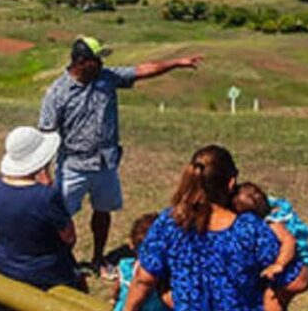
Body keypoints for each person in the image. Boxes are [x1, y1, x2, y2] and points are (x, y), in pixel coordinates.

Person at [39, 35, 203, 279]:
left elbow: (143, 70)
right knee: (60, 218)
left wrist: (177, 63)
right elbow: (46, 134)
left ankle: (98, 259)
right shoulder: (57, 92)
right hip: (73, 165)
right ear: (81, 62)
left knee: (103, 211)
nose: (102, 65)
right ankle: (65, 263)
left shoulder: (107, 78)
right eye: (97, 60)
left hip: (106, 162)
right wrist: (44, 174)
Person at [112, 145, 304, 311]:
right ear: (231, 183)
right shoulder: (250, 229)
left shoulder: (171, 223)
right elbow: (296, 281)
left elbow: (143, 278)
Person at [0, 126, 85, 311]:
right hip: (42, 271)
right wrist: (49, 186)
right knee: (78, 286)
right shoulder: (46, 196)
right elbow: (70, 238)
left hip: (5, 262)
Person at [232, 182, 308, 311]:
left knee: (272, 310)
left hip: (295, 276)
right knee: (275, 310)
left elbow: (289, 241)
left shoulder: (272, 223)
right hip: (293, 276)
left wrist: (279, 264)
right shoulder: (266, 222)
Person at [112, 212, 174, 311]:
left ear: (131, 244)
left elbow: (117, 289)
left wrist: (114, 300)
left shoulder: (124, 267)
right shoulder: (165, 277)